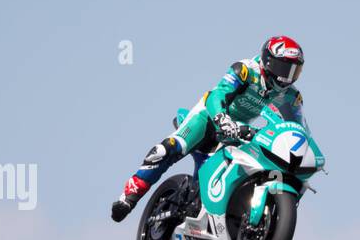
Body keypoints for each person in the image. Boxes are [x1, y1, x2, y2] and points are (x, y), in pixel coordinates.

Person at [111, 35, 306, 222]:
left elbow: (297, 128)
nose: (286, 78)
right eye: (283, 68)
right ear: (269, 61)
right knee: (167, 149)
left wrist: (302, 152)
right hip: (209, 116)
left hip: (240, 129)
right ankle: (128, 197)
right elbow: (217, 94)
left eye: (293, 71)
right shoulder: (246, 69)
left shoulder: (290, 96)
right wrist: (222, 119)